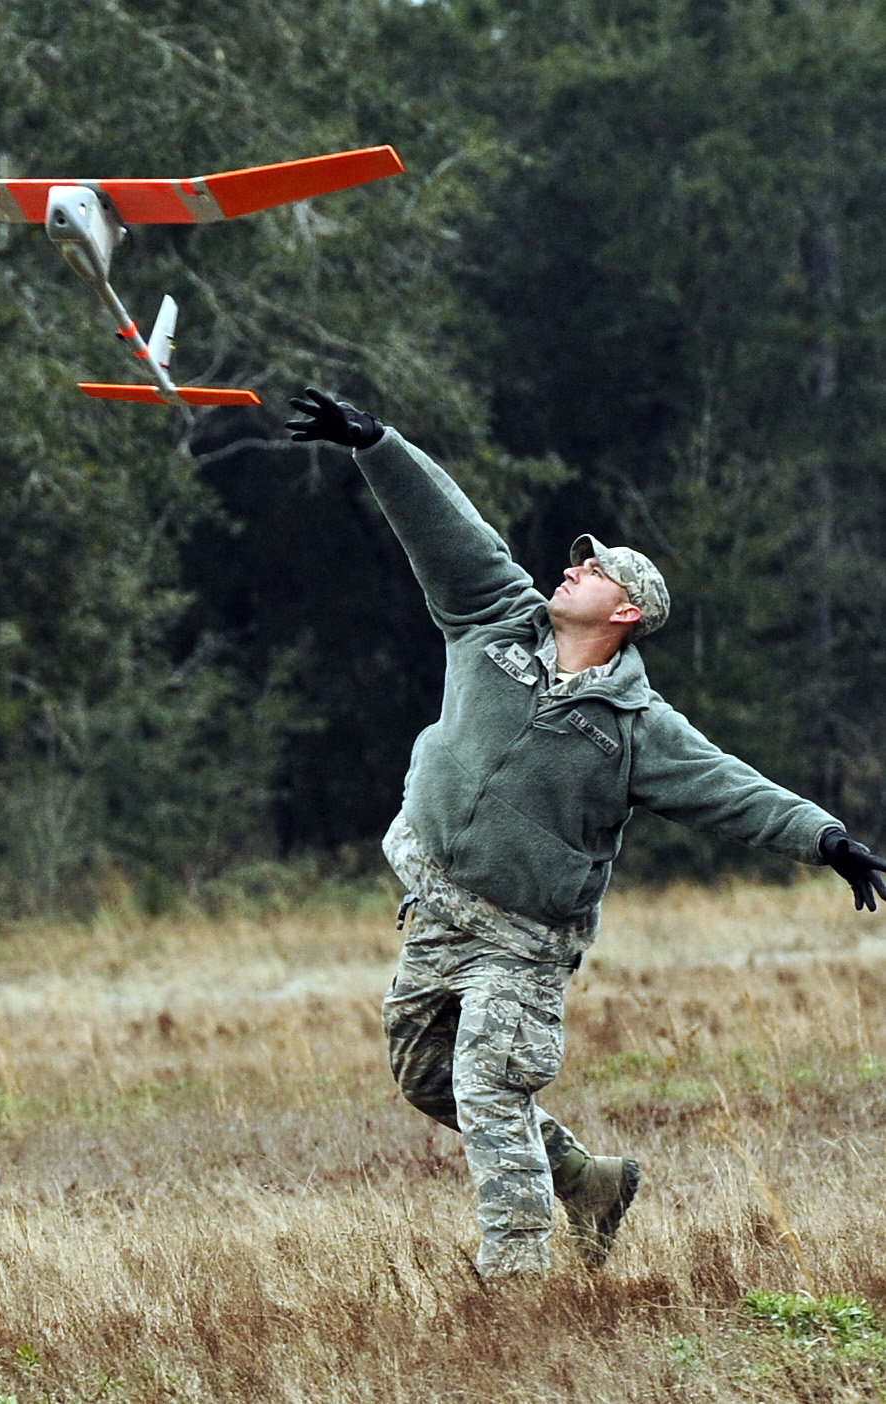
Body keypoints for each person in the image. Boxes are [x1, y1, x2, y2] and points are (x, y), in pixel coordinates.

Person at [284, 388, 886, 1279]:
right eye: (573, 563)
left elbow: (730, 788)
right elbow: (451, 533)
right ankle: (584, 1179)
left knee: (489, 1086)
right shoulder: (491, 620)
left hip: (522, 945)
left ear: (626, 614)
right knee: (423, 1076)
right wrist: (376, 445)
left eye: (592, 570)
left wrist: (825, 837)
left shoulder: (638, 728)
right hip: (436, 909)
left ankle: (516, 1290)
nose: (570, 570)